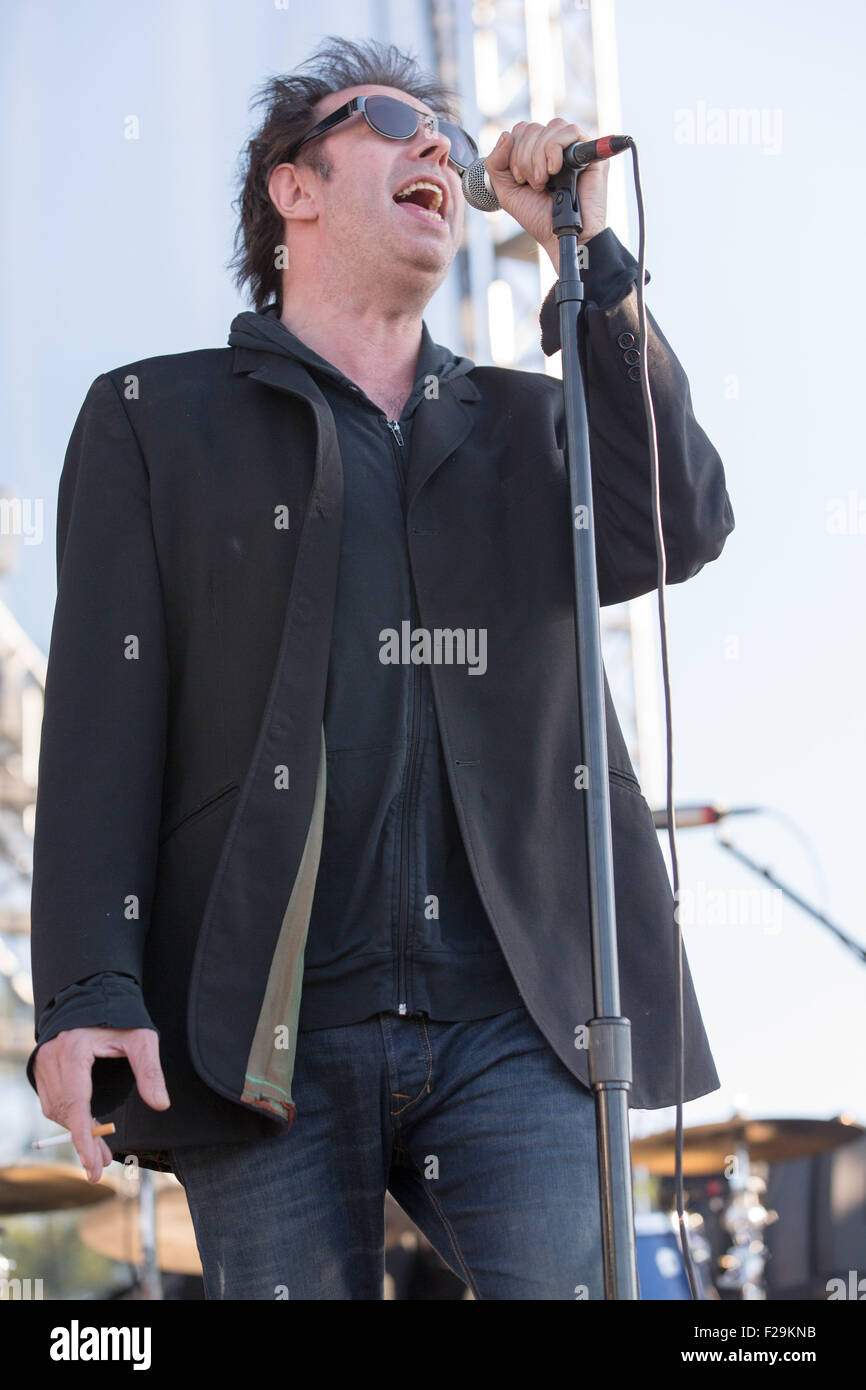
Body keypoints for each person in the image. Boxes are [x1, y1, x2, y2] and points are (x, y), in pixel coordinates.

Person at [28, 37, 734, 1299]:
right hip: (262, 1029)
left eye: (451, 145)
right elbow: (97, 727)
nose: (440, 152)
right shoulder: (153, 419)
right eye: (395, 122)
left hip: (522, 1017)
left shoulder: (527, 428)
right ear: (292, 188)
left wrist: (587, 265)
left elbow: (676, 518)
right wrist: (87, 984)